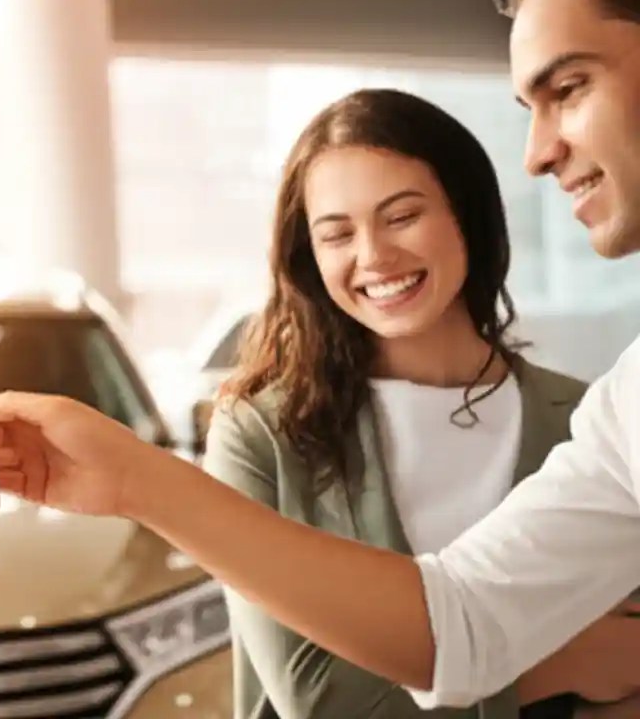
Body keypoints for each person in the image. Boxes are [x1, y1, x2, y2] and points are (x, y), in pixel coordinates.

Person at [0, 0, 640, 710]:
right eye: (337, 233)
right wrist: (135, 481)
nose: (538, 152)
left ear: (468, 215)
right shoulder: (623, 412)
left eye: (569, 89)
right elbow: (454, 631)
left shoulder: (590, 407)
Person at [207, 87, 603, 718]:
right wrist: (556, 666)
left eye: (401, 217)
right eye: (337, 234)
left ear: (466, 215)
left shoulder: (589, 421)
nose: (374, 257)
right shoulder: (262, 434)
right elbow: (321, 701)